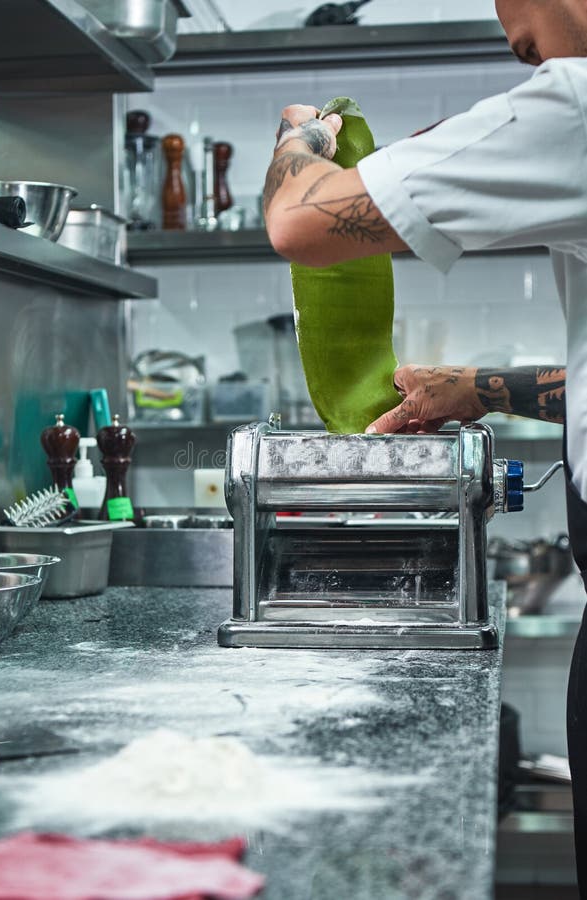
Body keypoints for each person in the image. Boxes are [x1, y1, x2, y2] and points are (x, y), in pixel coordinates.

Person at [262, 0, 587, 890]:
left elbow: (299, 222)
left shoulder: (577, 99)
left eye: (520, 36)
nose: (520, 53)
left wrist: (301, 139)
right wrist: (480, 390)